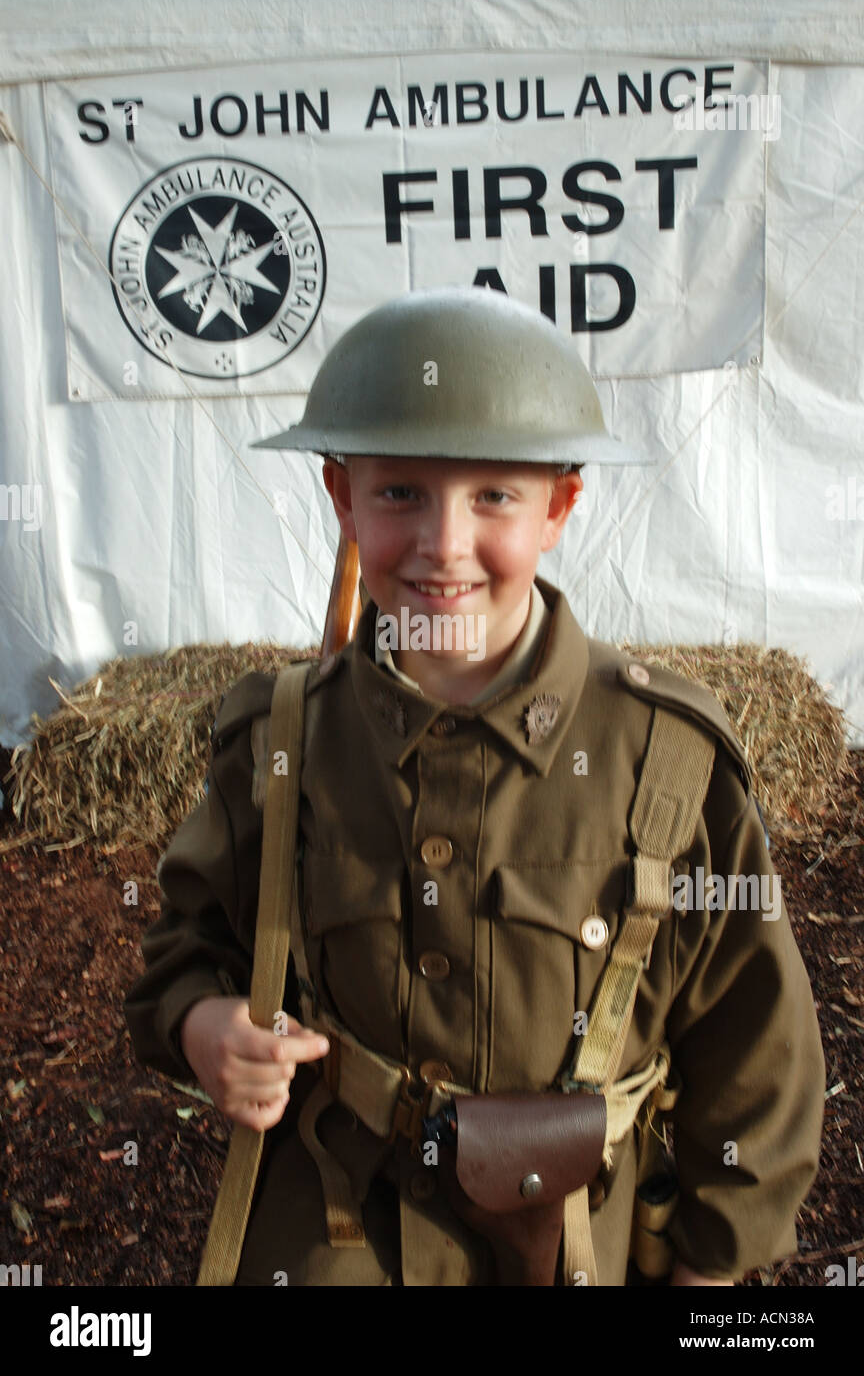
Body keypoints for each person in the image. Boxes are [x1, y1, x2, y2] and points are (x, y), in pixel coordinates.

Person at [124, 286, 824, 1287]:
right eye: (401, 491)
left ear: (560, 507)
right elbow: (181, 954)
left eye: (493, 494)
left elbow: (756, 1048)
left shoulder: (668, 761)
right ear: (342, 498)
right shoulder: (280, 741)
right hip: (341, 1221)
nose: (443, 546)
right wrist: (202, 1024)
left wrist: (711, 1269)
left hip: (580, 1235)